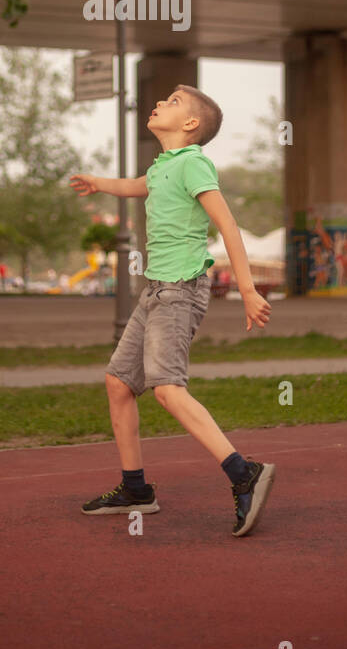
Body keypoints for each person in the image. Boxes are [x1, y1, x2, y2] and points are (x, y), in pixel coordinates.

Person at [70, 85, 275, 538]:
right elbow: (135, 187)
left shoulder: (194, 162)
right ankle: (136, 489)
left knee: (167, 389)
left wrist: (247, 289)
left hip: (180, 292)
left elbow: (227, 225)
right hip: (155, 292)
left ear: (190, 126)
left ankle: (245, 473)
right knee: (119, 383)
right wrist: (98, 183)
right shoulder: (163, 166)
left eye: (173, 102)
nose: (160, 103)